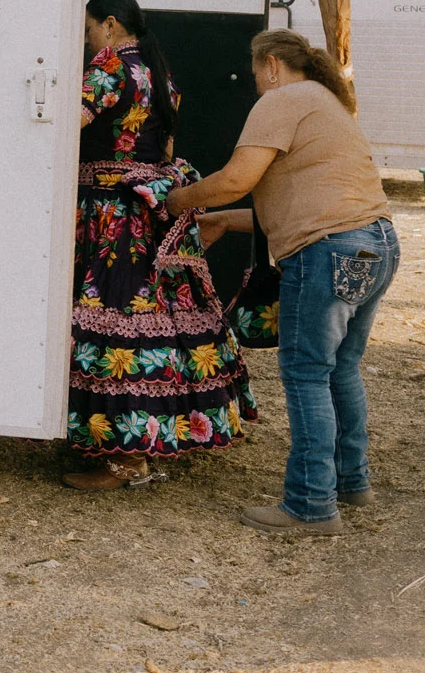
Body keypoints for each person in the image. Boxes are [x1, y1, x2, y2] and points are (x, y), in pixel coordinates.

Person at [167, 29, 396, 536]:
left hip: (329, 251)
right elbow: (300, 202)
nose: (254, 86)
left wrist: (179, 200)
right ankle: (350, 480)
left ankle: (312, 505)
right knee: (341, 367)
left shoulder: (283, 98)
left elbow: (235, 178)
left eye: (254, 75)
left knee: (306, 372)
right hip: (373, 245)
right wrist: (226, 220)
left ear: (271, 64)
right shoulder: (326, 102)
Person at [64, 0, 255, 490]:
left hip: (111, 214)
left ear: (108, 25)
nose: (86, 41)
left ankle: (122, 458)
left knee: (113, 318)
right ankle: (145, 440)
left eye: (87, 30)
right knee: (154, 318)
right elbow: (164, 146)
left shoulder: (109, 68)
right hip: (148, 212)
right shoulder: (161, 73)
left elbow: (64, 126)